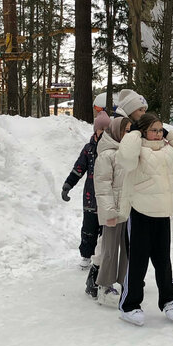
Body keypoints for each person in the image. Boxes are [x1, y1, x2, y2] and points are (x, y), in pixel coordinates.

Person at [116, 113, 173, 326]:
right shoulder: (136, 150)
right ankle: (130, 305)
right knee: (138, 262)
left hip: (163, 213)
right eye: (153, 129)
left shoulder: (170, 150)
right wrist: (134, 132)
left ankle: (169, 299)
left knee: (163, 262)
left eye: (161, 129)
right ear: (143, 131)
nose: (158, 133)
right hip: (141, 213)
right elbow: (125, 158)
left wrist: (172, 134)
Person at [88, 116, 132, 306]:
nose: (129, 134)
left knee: (128, 249)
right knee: (109, 249)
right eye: (126, 130)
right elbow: (103, 186)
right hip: (114, 210)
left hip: (130, 209)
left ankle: (124, 282)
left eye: (131, 130)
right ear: (117, 131)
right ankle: (104, 285)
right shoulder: (107, 155)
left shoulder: (129, 152)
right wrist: (109, 211)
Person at [61, 110, 111, 267]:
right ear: (95, 130)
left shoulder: (113, 149)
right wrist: (68, 185)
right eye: (101, 129)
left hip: (108, 198)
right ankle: (86, 255)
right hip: (91, 196)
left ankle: (103, 255)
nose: (104, 133)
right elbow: (79, 169)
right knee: (89, 228)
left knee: (106, 229)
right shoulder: (88, 149)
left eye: (107, 130)